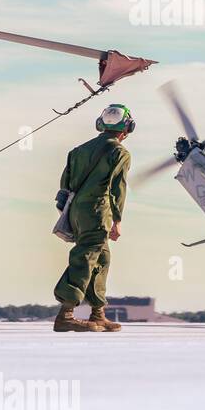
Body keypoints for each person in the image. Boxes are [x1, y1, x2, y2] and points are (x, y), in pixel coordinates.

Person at [52, 104, 134, 332]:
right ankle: (65, 314)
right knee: (86, 256)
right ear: (127, 127)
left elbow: (64, 186)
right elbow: (117, 189)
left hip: (76, 210)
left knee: (101, 258)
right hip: (98, 211)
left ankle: (98, 314)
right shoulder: (120, 153)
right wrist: (117, 220)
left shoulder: (78, 150)